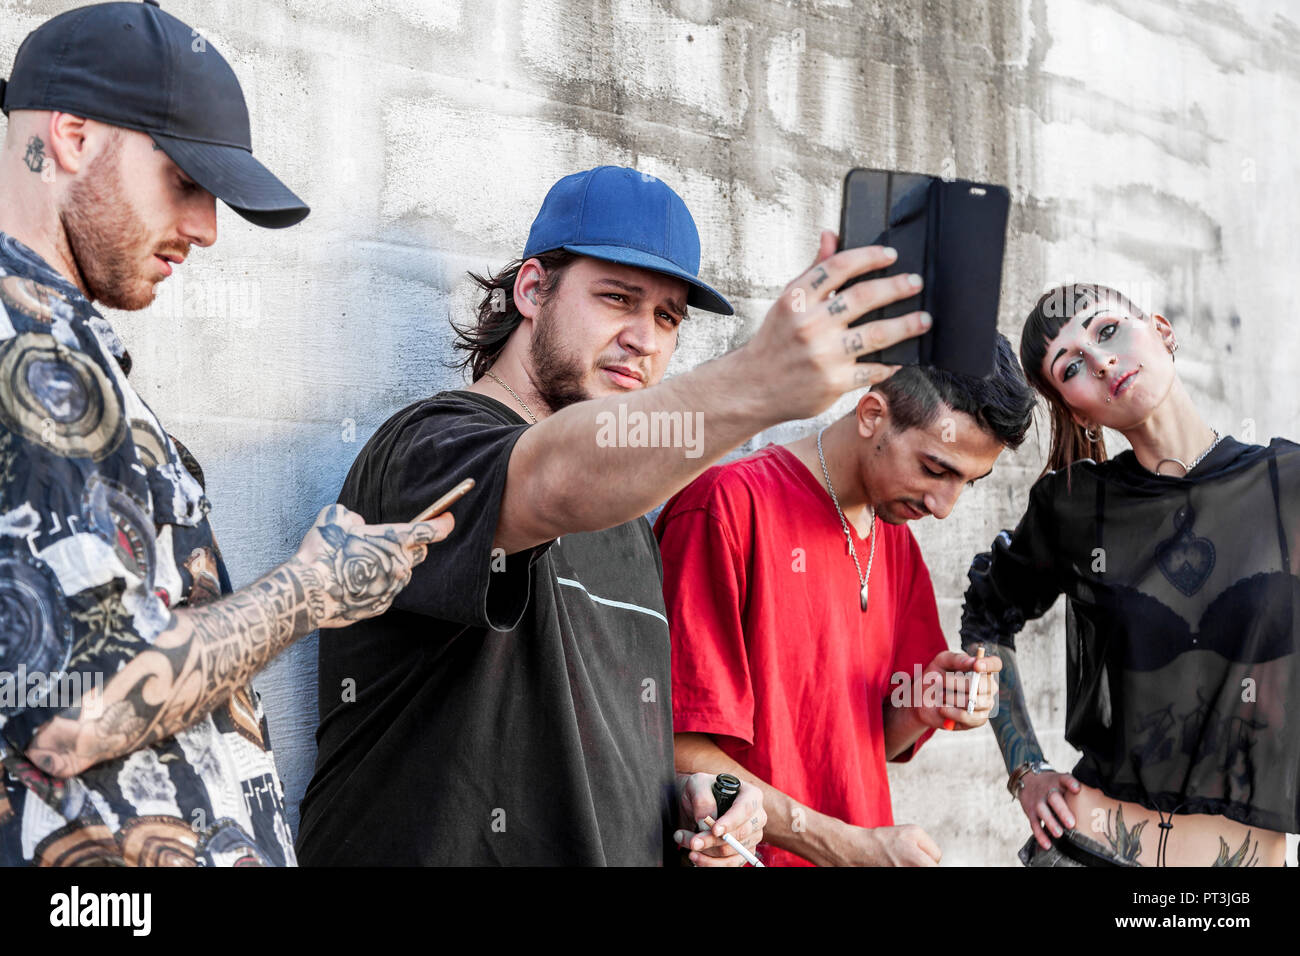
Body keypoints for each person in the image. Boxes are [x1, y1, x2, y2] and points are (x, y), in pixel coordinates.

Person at [296, 164, 935, 866]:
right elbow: (550, 477)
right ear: (533, 289)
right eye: (617, 298)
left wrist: (701, 796)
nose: (646, 338)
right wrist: (756, 384)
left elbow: (613, 748)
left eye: (667, 317)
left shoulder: (630, 520)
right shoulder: (426, 451)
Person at [0, 1, 448, 867]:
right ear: (72, 134)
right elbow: (74, 711)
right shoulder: (29, 346)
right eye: (185, 181)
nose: (206, 229)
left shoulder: (56, 340)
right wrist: (310, 592)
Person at [661, 336, 1034, 866]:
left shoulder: (896, 542)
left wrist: (922, 706)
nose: (944, 507)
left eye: (967, 483)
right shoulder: (726, 509)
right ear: (871, 414)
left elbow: (861, 743)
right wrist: (851, 847)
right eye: (935, 469)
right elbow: (672, 747)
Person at [962, 283, 1298, 867]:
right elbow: (989, 614)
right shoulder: (1074, 506)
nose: (1099, 360)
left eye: (1106, 330)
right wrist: (1026, 770)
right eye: (1070, 367)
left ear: (1162, 331)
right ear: (1075, 408)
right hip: (1086, 851)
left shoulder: (1286, 483)